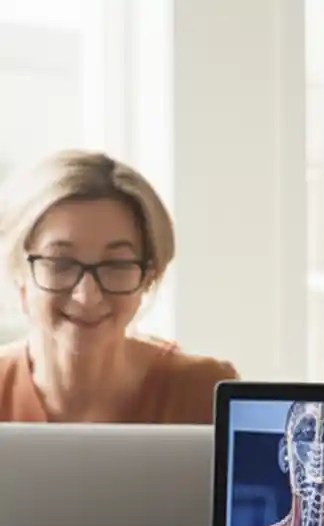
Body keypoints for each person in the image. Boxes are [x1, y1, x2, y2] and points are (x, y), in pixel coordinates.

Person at [0, 150, 238, 423]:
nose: (86, 296)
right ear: (18, 270)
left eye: (116, 265)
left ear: (148, 277)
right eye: (61, 263)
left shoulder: (206, 391)